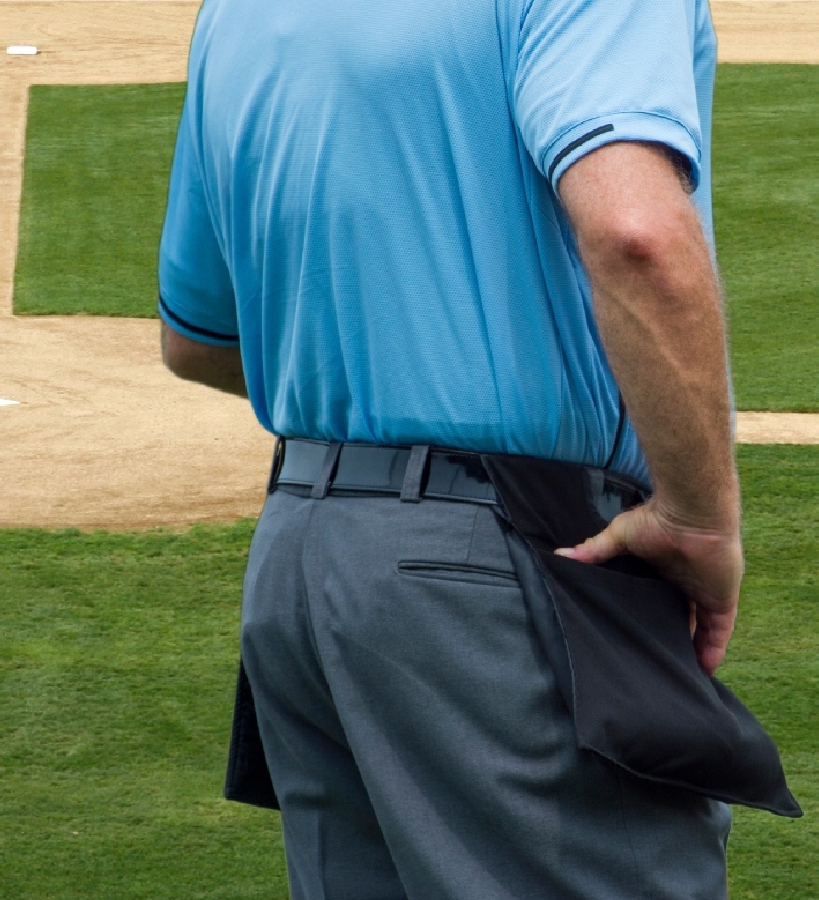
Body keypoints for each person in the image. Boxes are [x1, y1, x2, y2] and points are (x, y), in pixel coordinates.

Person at [158, 0, 741, 896]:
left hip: (302, 554)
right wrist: (699, 518)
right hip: (507, 559)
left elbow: (198, 340)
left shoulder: (234, 12)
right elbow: (638, 233)